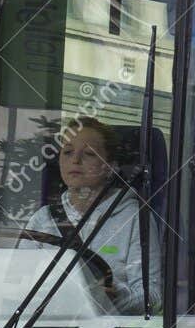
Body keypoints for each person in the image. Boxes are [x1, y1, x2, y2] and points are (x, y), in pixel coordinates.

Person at [21, 118, 161, 314]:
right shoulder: (41, 219)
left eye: (89, 154)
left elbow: (153, 298)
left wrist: (116, 295)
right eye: (67, 152)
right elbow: (18, 286)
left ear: (110, 167)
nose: (75, 160)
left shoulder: (136, 219)